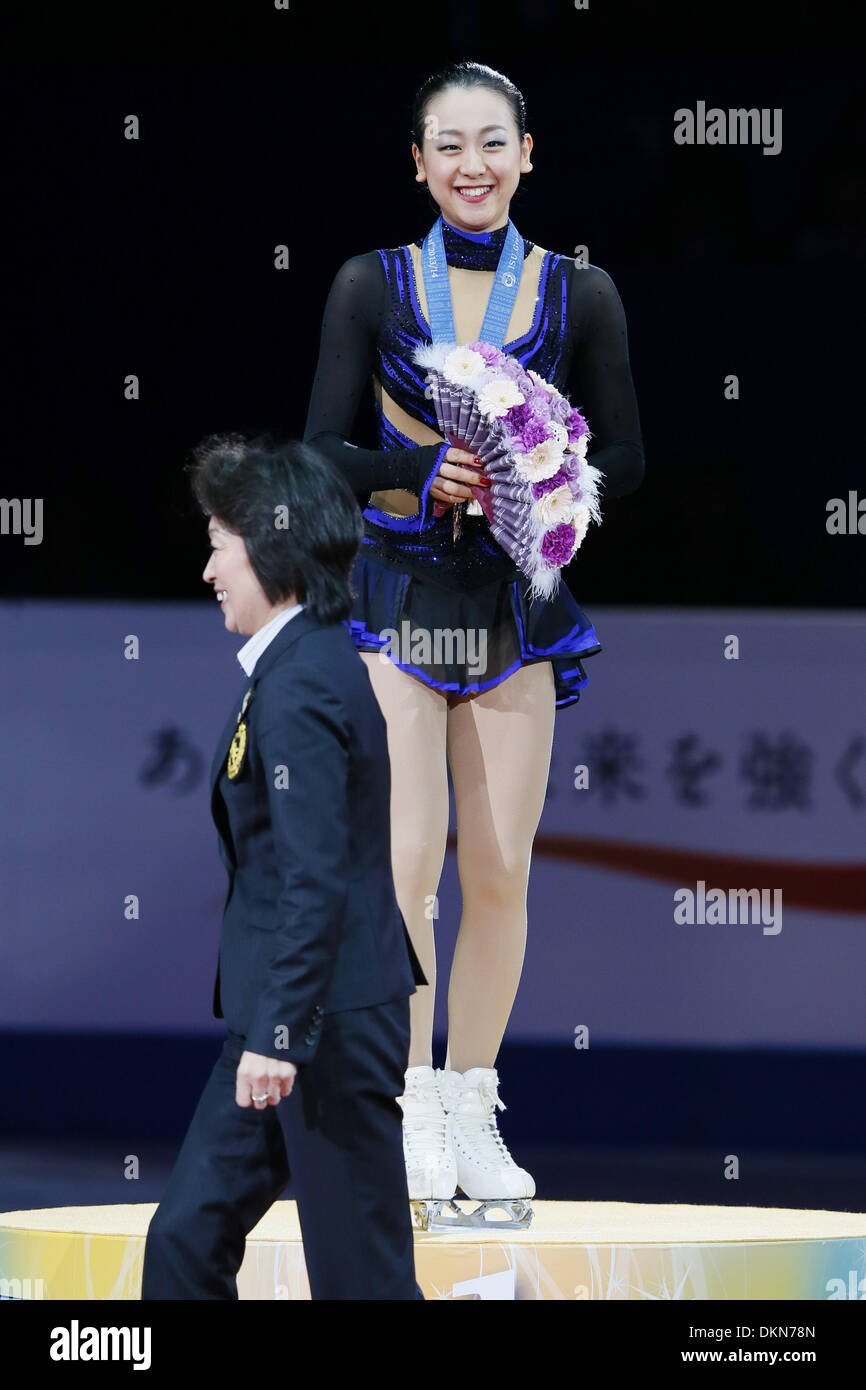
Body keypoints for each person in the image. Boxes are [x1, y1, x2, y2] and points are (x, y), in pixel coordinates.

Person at [303, 61, 645, 1219]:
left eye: (492, 143)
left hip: (516, 605)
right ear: (416, 162)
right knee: (405, 870)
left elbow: (628, 465)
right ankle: (403, 1105)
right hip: (398, 596)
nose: (470, 165)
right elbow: (317, 457)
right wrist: (414, 470)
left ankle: (469, 1103)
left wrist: (547, 484)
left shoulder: (577, 294)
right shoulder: (369, 284)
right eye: (446, 145)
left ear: (527, 154)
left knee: (498, 869)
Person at [141, 435, 426, 1299]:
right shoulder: (296, 666)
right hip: (287, 1016)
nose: (208, 570)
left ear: (271, 548)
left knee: (362, 1281)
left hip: (320, 1024)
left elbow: (316, 873)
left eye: (220, 545)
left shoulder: (302, 683)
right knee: (184, 1244)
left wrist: (278, 1036)